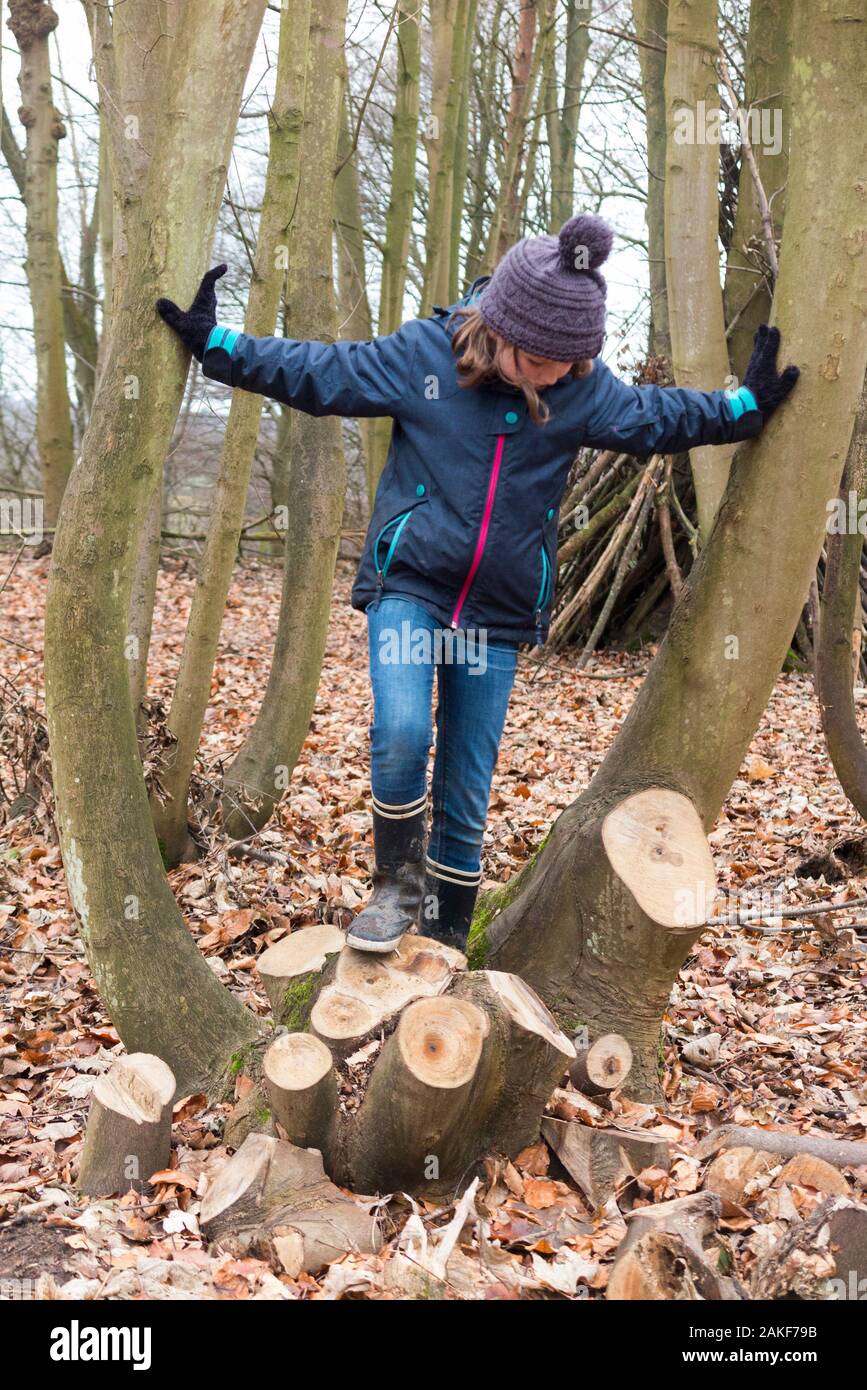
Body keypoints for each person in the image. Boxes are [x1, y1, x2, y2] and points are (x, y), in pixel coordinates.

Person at [157, 213, 799, 955]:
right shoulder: (421, 356)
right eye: (544, 358)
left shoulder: (579, 388)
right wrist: (219, 344)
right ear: (500, 329)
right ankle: (394, 887)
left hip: (493, 615)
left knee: (466, 790)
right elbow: (319, 372)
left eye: (571, 360)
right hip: (412, 588)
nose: (559, 372)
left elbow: (656, 415)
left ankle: (447, 943)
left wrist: (741, 408)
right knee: (401, 733)